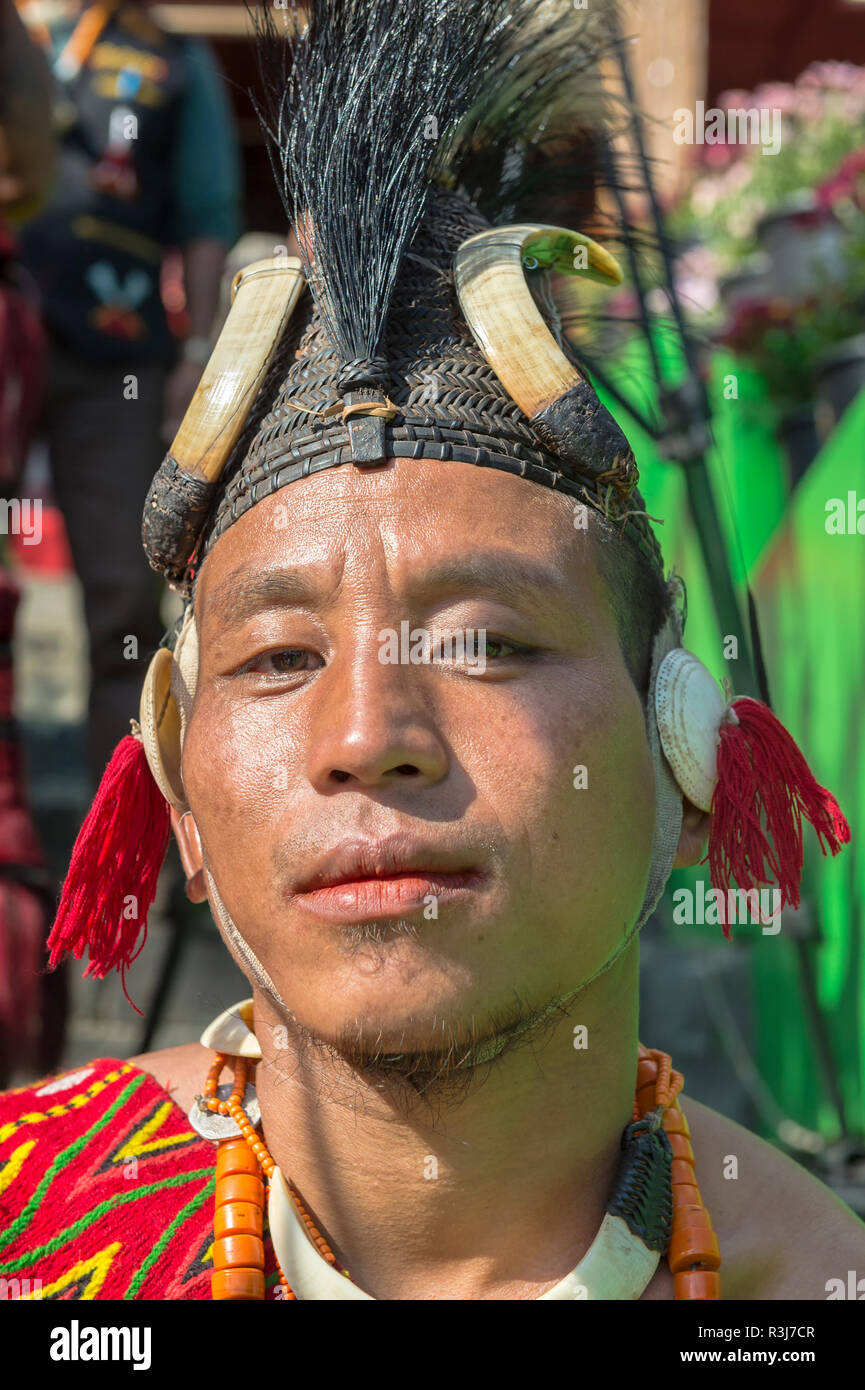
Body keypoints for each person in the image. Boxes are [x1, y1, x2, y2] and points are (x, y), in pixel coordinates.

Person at [0, 0, 862, 1301]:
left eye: (488, 642)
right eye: (278, 658)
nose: (366, 737)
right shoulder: (33, 1236)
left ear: (684, 745)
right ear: (171, 776)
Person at [13, 0, 241, 784]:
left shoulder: (172, 59)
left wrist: (197, 351)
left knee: (123, 598)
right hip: (9, 336)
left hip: (118, 359)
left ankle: (128, 854)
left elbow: (209, 214)